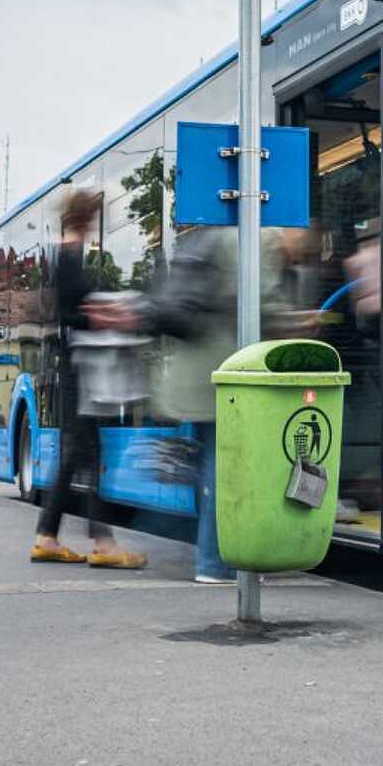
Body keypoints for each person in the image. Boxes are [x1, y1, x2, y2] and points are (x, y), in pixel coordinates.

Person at [89, 225, 236, 582]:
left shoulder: (197, 242)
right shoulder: (225, 242)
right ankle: (213, 562)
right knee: (217, 466)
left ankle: (212, 559)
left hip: (194, 384)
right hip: (213, 380)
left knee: (208, 464)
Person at [31, 190, 146, 570]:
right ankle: (102, 543)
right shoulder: (68, 257)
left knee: (78, 454)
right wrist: (110, 316)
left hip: (77, 365)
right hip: (80, 367)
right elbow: (71, 315)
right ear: (85, 218)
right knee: (87, 452)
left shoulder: (67, 255)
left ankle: (48, 536)